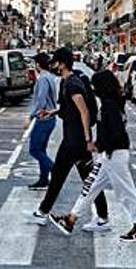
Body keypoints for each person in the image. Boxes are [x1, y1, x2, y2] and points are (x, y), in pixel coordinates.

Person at [50, 70, 136, 242]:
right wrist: (99, 144)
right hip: (108, 154)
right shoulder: (111, 102)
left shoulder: (110, 105)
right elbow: (110, 131)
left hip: (114, 154)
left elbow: (116, 133)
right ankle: (70, 219)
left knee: (125, 191)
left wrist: (100, 145)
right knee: (91, 186)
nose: (93, 89)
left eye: (95, 85)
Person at [27, 47, 110, 231]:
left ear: (62, 64)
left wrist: (88, 139)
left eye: (55, 62)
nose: (53, 66)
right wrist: (52, 112)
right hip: (73, 138)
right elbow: (69, 108)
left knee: (61, 176)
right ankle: (103, 217)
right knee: (85, 179)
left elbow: (84, 112)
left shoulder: (72, 84)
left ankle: (43, 212)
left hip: (75, 140)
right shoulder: (67, 82)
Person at [26, 52, 59, 190]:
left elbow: (41, 100)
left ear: (38, 65)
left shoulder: (43, 79)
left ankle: (56, 171)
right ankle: (44, 179)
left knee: (34, 149)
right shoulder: (50, 77)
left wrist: (31, 116)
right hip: (50, 119)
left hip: (44, 119)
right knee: (41, 150)